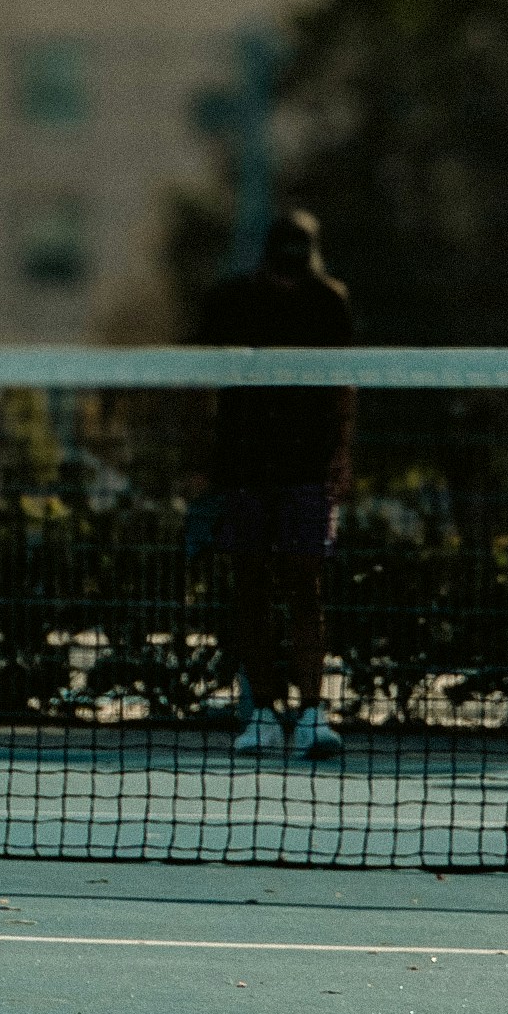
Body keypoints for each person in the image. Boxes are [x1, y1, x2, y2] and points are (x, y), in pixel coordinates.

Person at [188, 209, 354, 761]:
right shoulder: (231, 300)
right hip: (242, 469)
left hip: (306, 469)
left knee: (306, 589)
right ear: (265, 257)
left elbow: (347, 380)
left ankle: (311, 714)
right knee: (251, 588)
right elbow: (196, 375)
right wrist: (199, 458)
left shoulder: (329, 300)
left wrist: (342, 452)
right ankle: (260, 712)